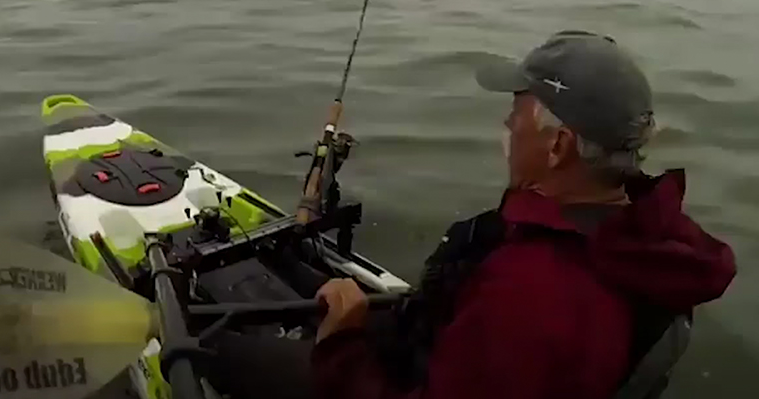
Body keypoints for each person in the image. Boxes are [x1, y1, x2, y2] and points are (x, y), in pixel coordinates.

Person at [312, 30, 736, 399]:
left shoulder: (529, 290)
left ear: (558, 146)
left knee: (248, 354)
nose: (508, 124)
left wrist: (341, 344)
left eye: (518, 113)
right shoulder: (656, 246)